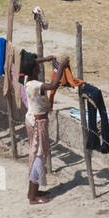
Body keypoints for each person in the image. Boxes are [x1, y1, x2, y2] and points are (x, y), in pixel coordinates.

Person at [23, 55, 70, 204]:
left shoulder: (27, 79)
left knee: (38, 153)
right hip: (37, 123)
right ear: (34, 69)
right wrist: (61, 66)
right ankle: (32, 196)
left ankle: (34, 190)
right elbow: (53, 85)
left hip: (34, 120)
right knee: (38, 155)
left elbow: (34, 62)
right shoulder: (34, 85)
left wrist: (47, 59)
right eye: (37, 65)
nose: (39, 67)